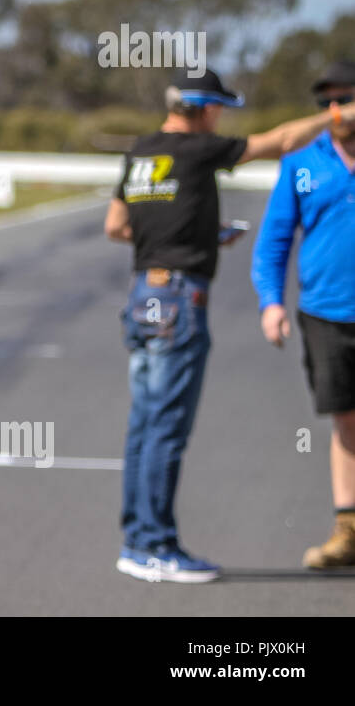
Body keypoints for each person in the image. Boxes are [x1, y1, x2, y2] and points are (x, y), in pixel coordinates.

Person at [104, 67, 355, 583]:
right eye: (217, 107)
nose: (220, 117)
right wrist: (336, 114)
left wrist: (192, 235)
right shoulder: (199, 149)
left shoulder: (140, 152)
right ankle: (156, 546)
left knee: (144, 426)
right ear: (199, 106)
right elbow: (282, 140)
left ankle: (138, 540)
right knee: (167, 429)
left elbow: (118, 226)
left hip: (143, 295)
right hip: (178, 299)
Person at [250, 60, 355, 568]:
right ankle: (348, 530)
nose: (336, 111)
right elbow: (272, 242)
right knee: (346, 420)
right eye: (327, 102)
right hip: (326, 312)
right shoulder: (301, 162)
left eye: (346, 98)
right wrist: (271, 303)